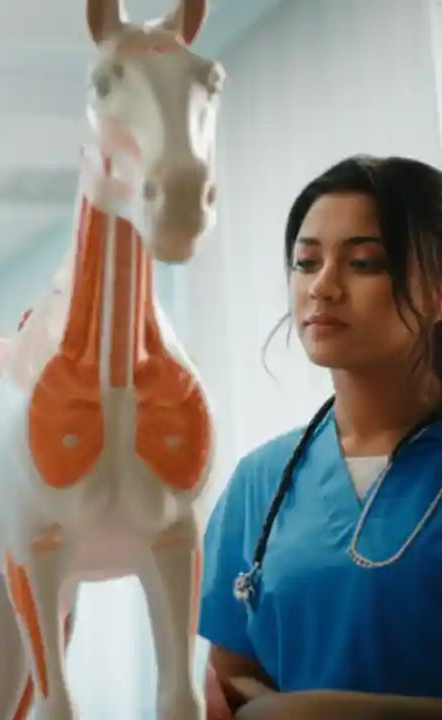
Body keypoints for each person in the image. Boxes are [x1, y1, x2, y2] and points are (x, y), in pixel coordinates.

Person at [198, 155, 442, 718]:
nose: (322, 287)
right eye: (306, 263)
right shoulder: (261, 481)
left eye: (363, 263)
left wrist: (316, 712)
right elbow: (229, 685)